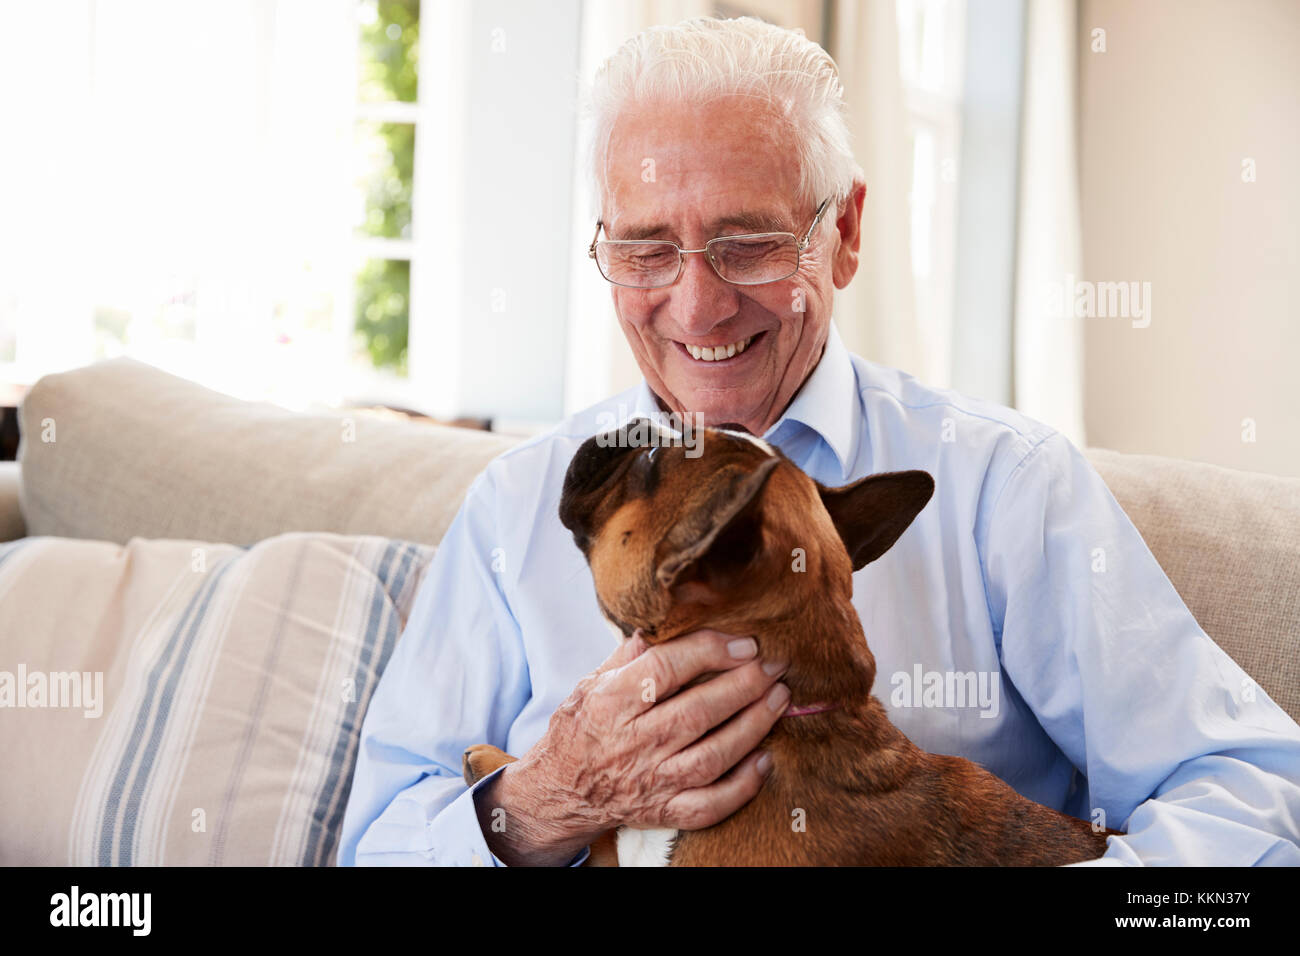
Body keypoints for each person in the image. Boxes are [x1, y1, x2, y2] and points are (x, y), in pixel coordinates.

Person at [338, 16, 1300, 866]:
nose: (699, 304)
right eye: (645, 249)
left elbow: (1255, 796)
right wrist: (542, 807)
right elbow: (377, 841)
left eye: (747, 243)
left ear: (843, 234)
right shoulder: (516, 503)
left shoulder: (1004, 487)